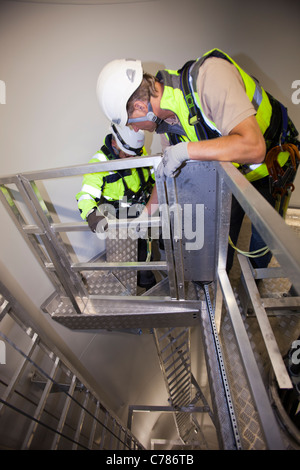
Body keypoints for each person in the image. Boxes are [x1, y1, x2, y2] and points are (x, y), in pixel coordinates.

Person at [96, 49, 300, 272]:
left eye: (131, 122)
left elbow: (254, 147)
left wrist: (186, 151)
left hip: (273, 168)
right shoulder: (167, 127)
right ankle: (222, 286)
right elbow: (164, 177)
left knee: (263, 240)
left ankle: (254, 285)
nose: (134, 129)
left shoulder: (210, 77)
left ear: (140, 107)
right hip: (235, 175)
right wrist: (146, 215)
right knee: (222, 235)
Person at [76, 123, 156, 289]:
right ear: (114, 144)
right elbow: (86, 195)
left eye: (136, 155)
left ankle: (146, 280)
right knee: (125, 255)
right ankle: (127, 285)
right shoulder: (99, 162)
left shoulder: (136, 151)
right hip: (119, 217)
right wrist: (92, 214)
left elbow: (149, 174)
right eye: (128, 156)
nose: (133, 160)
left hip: (142, 208)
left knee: (146, 248)